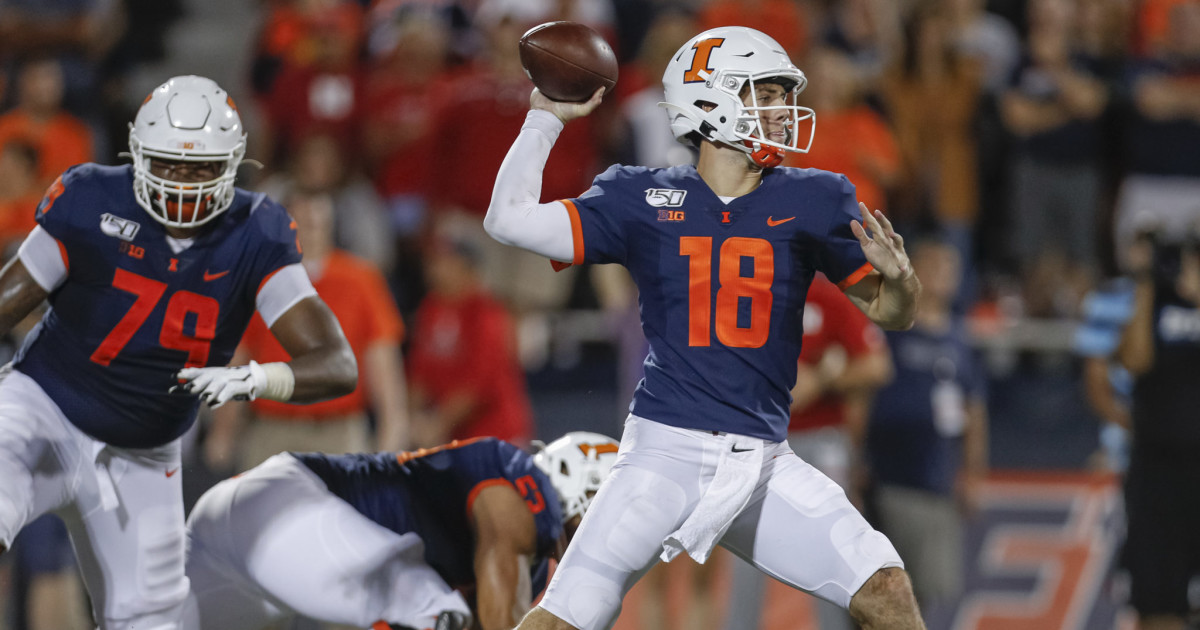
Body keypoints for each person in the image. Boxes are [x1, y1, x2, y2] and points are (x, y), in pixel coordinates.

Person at [485, 25, 925, 630]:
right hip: (661, 453)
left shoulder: (818, 197)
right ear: (710, 101)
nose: (781, 111)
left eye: (780, 96)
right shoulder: (639, 195)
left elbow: (891, 314)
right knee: (563, 617)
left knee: (886, 588)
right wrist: (545, 117)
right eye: (763, 95)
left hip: (762, 461)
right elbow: (508, 220)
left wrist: (900, 282)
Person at [0, 75, 357, 630]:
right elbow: (10, 296)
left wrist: (257, 378)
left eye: (201, 167)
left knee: (150, 622)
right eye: (168, 163)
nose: (182, 182)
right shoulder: (90, 194)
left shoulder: (256, 230)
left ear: (233, 163)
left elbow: (337, 363)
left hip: (143, 449)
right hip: (45, 404)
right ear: (137, 155)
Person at [182, 432, 621, 630]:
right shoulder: (518, 484)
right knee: (434, 614)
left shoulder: (532, 567)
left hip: (247, 546)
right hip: (281, 507)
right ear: (576, 487)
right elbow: (498, 607)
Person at [204, 188, 408, 473]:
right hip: (272, 428)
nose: (311, 229)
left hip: (340, 431)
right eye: (302, 220)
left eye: (317, 221)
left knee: (340, 515)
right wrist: (223, 432)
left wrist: (390, 441)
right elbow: (240, 357)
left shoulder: (362, 280)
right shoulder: (260, 277)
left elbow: (384, 369)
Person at [863, 237, 988, 625]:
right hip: (888, 474)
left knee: (930, 589)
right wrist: (857, 454)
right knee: (878, 585)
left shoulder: (959, 339)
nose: (941, 277)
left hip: (937, 481)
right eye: (932, 267)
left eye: (948, 268)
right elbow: (865, 394)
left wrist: (972, 473)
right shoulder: (891, 326)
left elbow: (974, 410)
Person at [1115, 229, 1200, 630]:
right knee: (1158, 606)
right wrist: (1147, 286)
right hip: (1157, 475)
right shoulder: (1153, 301)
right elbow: (1133, 359)